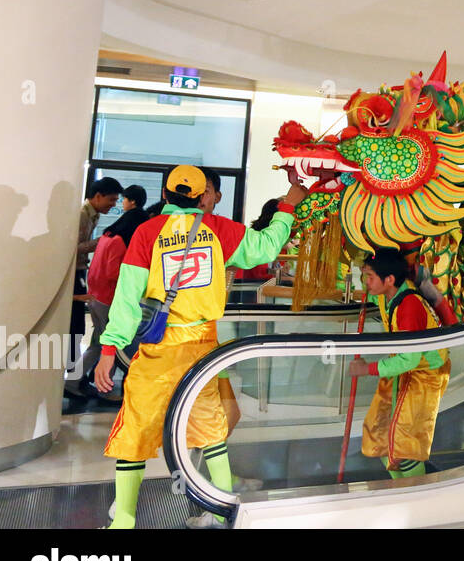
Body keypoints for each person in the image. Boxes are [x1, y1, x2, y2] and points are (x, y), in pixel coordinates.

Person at [93, 165, 306, 529]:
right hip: (203, 350)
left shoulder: (146, 232)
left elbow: (128, 298)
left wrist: (109, 350)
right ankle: (223, 513)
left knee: (134, 430)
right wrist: (288, 205)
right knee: (210, 430)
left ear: (166, 192)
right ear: (201, 196)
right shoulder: (219, 229)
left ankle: (124, 521)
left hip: (158, 350)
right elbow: (266, 247)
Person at [348, 249, 452, 479]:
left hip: (425, 373)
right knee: (379, 428)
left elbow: (410, 360)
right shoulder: (388, 294)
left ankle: (415, 495)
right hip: (404, 366)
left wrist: (368, 369)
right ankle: (400, 487)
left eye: (370, 277)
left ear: (389, 280)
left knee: (405, 441)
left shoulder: (409, 306)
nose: (366, 282)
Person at [68, 202, 151, 402]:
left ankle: (73, 381)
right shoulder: (120, 242)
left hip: (96, 296)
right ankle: (104, 387)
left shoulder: (107, 237)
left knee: (98, 343)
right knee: (112, 346)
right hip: (107, 299)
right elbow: (114, 272)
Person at [69, 177, 123, 388]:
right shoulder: (83, 215)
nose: (113, 204)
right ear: (98, 196)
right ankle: (72, 379)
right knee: (76, 329)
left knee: (81, 329)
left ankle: (75, 378)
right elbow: (75, 246)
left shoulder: (94, 215)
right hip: (76, 272)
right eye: (111, 199)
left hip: (81, 271)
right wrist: (101, 244)